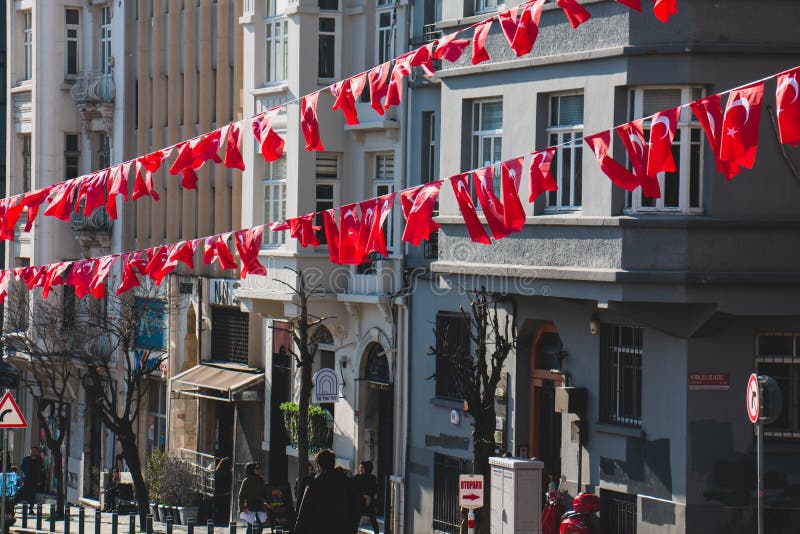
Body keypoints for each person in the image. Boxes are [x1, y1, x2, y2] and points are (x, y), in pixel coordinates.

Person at [293, 449, 356, 534]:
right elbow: (353, 509)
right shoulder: (346, 483)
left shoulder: (314, 485)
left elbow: (303, 516)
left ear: (319, 466)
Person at [352, 461, 380, 534]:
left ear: (367, 468)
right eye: (360, 467)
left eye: (362, 468)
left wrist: (369, 497)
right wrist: (364, 496)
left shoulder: (372, 478)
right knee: (356, 520)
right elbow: (354, 490)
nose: (360, 469)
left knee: (373, 519)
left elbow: (374, 489)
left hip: (369, 502)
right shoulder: (357, 478)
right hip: (359, 502)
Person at [19, 447, 44, 513]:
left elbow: (41, 470)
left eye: (35, 451)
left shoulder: (39, 459)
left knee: (32, 494)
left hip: (35, 479)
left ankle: (31, 508)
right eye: (32, 451)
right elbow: (22, 467)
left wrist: (39, 480)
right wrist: (26, 473)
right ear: (30, 451)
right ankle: (24, 508)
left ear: (36, 452)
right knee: (26, 494)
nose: (33, 452)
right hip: (27, 479)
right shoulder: (26, 459)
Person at [213, 457, 233, 525]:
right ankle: (223, 520)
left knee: (219, 507)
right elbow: (228, 482)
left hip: (218, 492)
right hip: (225, 493)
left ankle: (218, 520)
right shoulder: (227, 473)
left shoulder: (217, 471)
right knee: (224, 507)